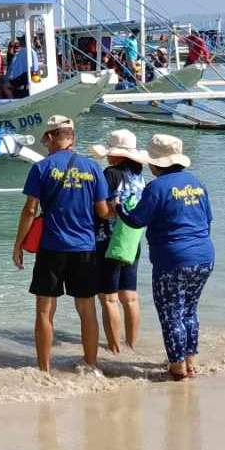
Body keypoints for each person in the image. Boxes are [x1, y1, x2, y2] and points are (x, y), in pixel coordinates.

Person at [14, 115, 112, 374]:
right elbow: (103, 211)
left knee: (45, 311)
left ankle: (44, 370)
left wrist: (18, 245)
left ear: (49, 137)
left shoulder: (41, 167)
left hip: (52, 247)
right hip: (85, 248)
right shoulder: (92, 168)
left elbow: (30, 210)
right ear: (73, 138)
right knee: (87, 308)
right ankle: (91, 365)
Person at [118, 134, 214, 381]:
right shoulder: (197, 183)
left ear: (156, 164)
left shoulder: (156, 187)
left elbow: (135, 220)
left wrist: (119, 206)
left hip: (173, 259)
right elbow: (207, 221)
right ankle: (190, 361)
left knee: (171, 312)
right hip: (204, 256)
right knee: (189, 311)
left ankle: (178, 368)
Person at [90, 129, 148, 353]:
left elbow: (103, 209)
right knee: (130, 297)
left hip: (108, 241)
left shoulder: (110, 174)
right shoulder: (139, 175)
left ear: (118, 155)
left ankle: (115, 350)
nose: (107, 157)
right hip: (132, 240)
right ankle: (132, 346)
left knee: (109, 299)